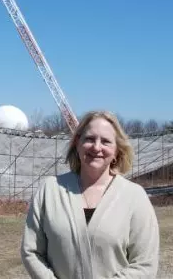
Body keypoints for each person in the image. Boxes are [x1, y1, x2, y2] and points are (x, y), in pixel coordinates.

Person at [21, 111, 160, 279]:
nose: (96, 147)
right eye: (90, 139)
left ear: (117, 150)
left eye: (106, 141)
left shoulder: (135, 196)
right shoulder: (50, 189)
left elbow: (145, 264)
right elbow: (32, 251)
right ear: (77, 143)